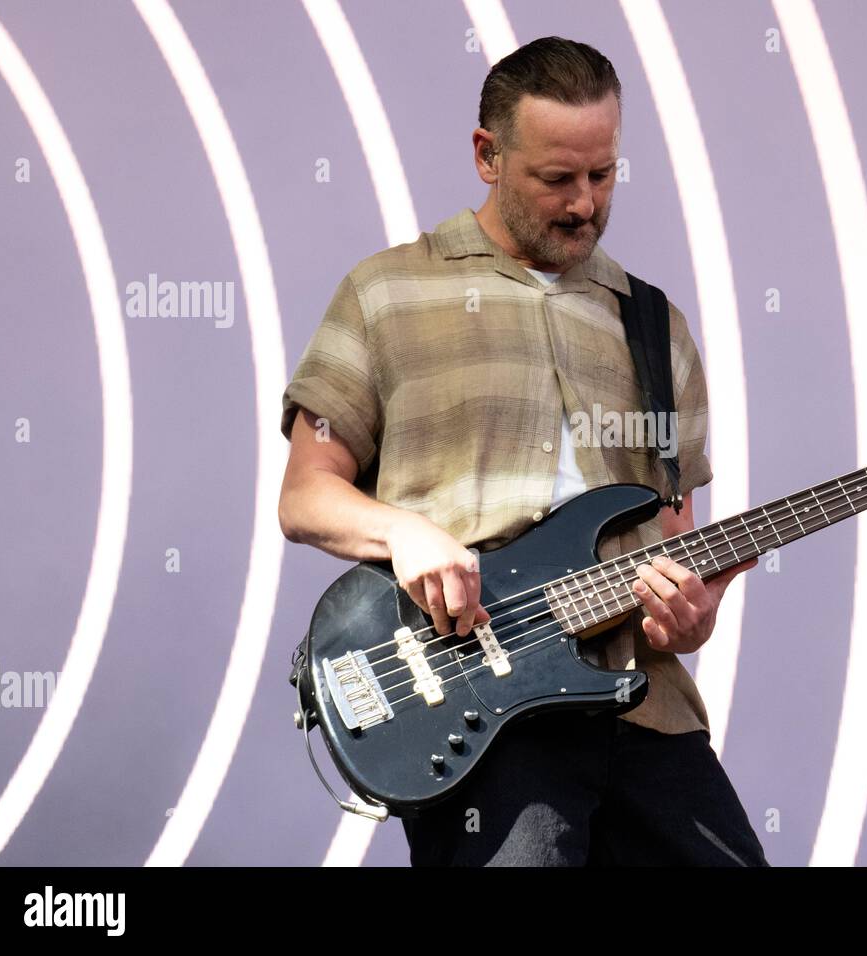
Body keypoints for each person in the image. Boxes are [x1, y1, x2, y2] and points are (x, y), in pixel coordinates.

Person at [277, 36, 766, 866]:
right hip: (480, 706)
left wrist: (692, 617)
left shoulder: (654, 326)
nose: (584, 203)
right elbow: (304, 496)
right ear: (487, 155)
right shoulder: (386, 292)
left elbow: (676, 540)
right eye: (555, 179)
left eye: (602, 174)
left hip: (649, 712)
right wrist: (404, 534)